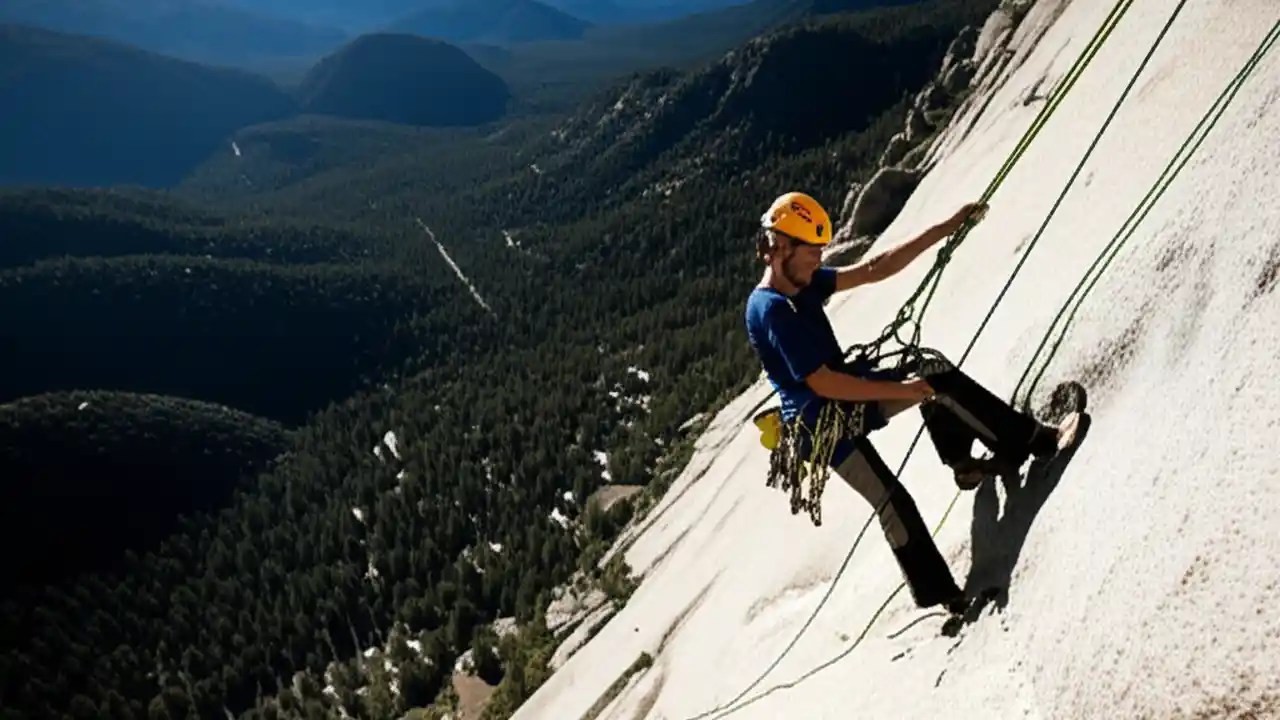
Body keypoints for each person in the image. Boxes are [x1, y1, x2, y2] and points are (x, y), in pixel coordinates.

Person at [743, 191, 1080, 612]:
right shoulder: (771, 309)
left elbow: (872, 269)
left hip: (845, 395)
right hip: (821, 426)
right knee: (892, 501)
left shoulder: (802, 282)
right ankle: (947, 597)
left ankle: (968, 458)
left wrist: (946, 228)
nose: (818, 260)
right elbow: (824, 383)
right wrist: (904, 392)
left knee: (933, 374)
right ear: (781, 248)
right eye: (812, 252)